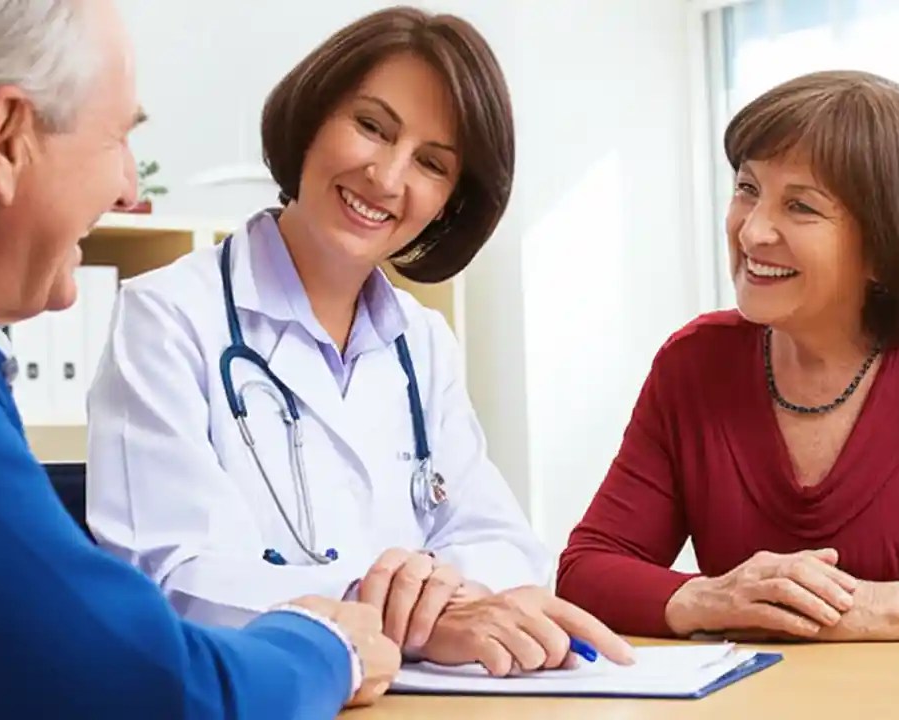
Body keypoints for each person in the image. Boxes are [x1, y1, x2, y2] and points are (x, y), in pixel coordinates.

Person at [0, 1, 401, 717]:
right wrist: (324, 644)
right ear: (5, 138)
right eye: (119, 138)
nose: (131, 189)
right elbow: (141, 687)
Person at [86, 6, 632, 674]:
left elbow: (500, 543)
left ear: (450, 204)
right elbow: (171, 577)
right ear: (313, 118)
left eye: (431, 164)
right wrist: (383, 610)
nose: (388, 178)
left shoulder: (422, 343)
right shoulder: (167, 316)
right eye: (372, 127)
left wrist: (446, 598)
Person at [557, 70, 899, 642]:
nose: (753, 231)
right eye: (747, 189)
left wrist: (882, 608)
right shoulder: (694, 364)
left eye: (801, 207)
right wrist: (709, 597)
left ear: (887, 243)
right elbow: (587, 570)